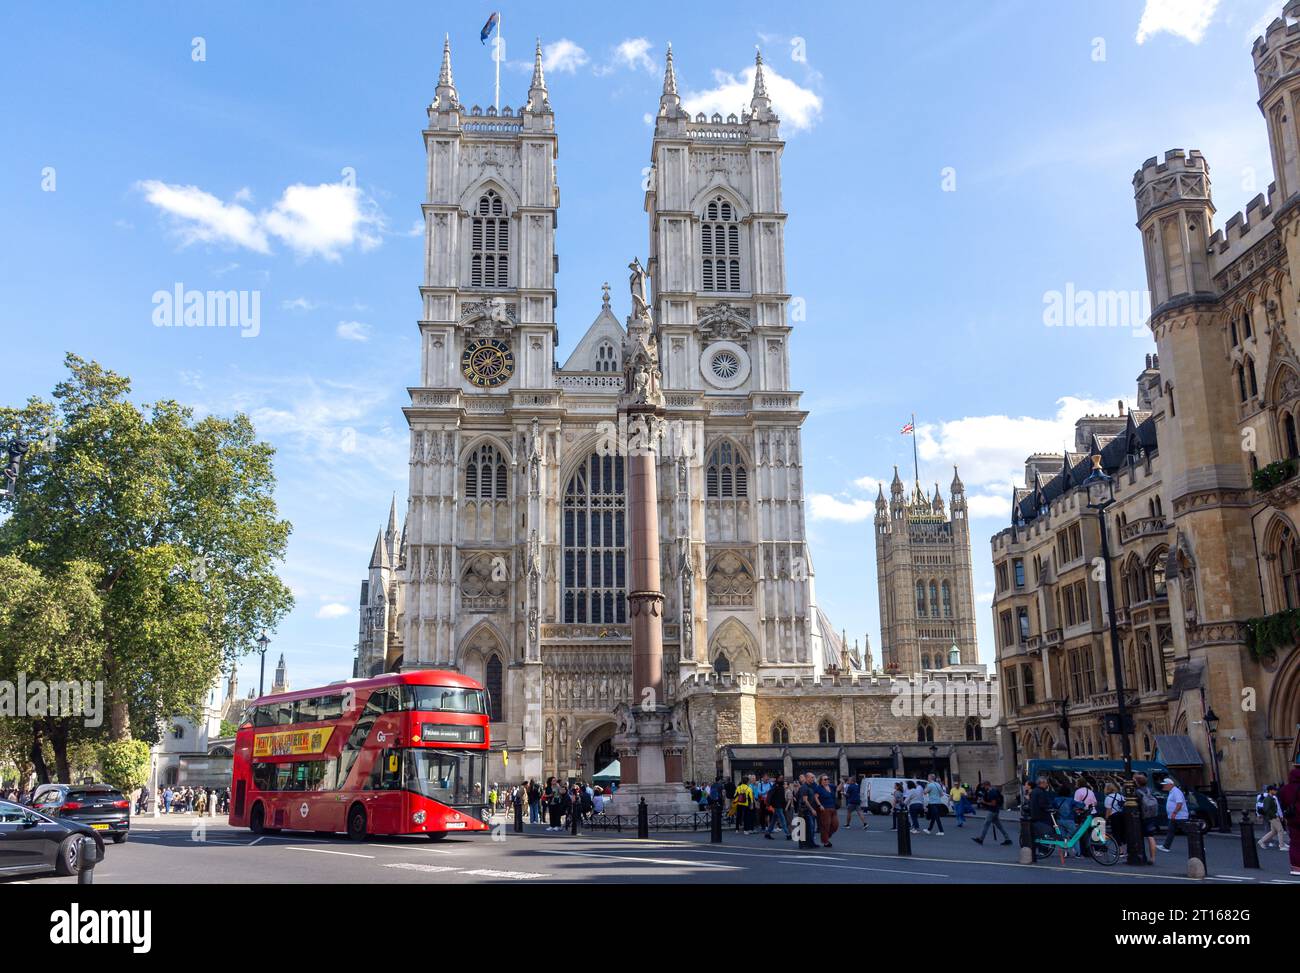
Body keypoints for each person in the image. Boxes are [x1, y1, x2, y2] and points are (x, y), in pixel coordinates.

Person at [972, 781, 1011, 846]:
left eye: (984, 786)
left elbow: (993, 803)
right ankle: (1008, 839)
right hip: (995, 810)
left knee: (986, 824)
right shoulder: (993, 790)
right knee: (999, 826)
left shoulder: (992, 792)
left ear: (987, 785)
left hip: (992, 811)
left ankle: (981, 839)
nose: (983, 788)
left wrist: (984, 802)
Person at [1158, 777, 1191, 853]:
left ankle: (1198, 845)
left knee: (1187, 831)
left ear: (1170, 784)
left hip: (1179, 816)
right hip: (1175, 816)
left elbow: (1179, 803)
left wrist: (1174, 813)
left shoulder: (1176, 792)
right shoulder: (1172, 792)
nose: (1164, 786)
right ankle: (1166, 846)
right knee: (1170, 831)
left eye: (1165, 785)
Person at [1133, 772, 1158, 864]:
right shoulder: (1149, 789)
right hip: (1151, 815)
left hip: (1142, 816)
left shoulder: (1136, 792)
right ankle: (1153, 857)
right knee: (1151, 836)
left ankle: (1140, 855)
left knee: (1138, 836)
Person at [1281, 759, 1300, 876]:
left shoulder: (1285, 789)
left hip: (1292, 818)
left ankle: (1296, 867)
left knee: (1295, 843)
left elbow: (1282, 803)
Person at [1258, 783, 1289, 851]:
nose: (1276, 791)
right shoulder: (1268, 799)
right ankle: (1281, 845)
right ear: (1270, 790)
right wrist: (1274, 816)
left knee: (1273, 831)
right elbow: (1266, 809)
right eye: (1274, 790)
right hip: (1273, 817)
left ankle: (1261, 841)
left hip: (1274, 816)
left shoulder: (1271, 798)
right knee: (1280, 830)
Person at [814, 774, 838, 848]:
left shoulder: (831, 786)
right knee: (826, 826)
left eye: (827, 779)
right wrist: (820, 805)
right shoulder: (819, 788)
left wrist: (842, 783)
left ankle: (826, 837)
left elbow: (838, 789)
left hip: (833, 808)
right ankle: (825, 842)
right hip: (825, 809)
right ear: (821, 781)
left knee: (835, 825)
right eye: (825, 779)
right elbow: (816, 797)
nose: (827, 780)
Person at [764, 775, 791, 839]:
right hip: (777, 806)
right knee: (782, 820)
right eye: (780, 778)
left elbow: (782, 797)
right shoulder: (775, 785)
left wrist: (784, 805)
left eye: (782, 778)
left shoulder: (781, 785)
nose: (781, 779)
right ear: (777, 778)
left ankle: (768, 833)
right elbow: (769, 794)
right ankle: (788, 834)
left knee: (773, 820)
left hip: (780, 805)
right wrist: (768, 804)